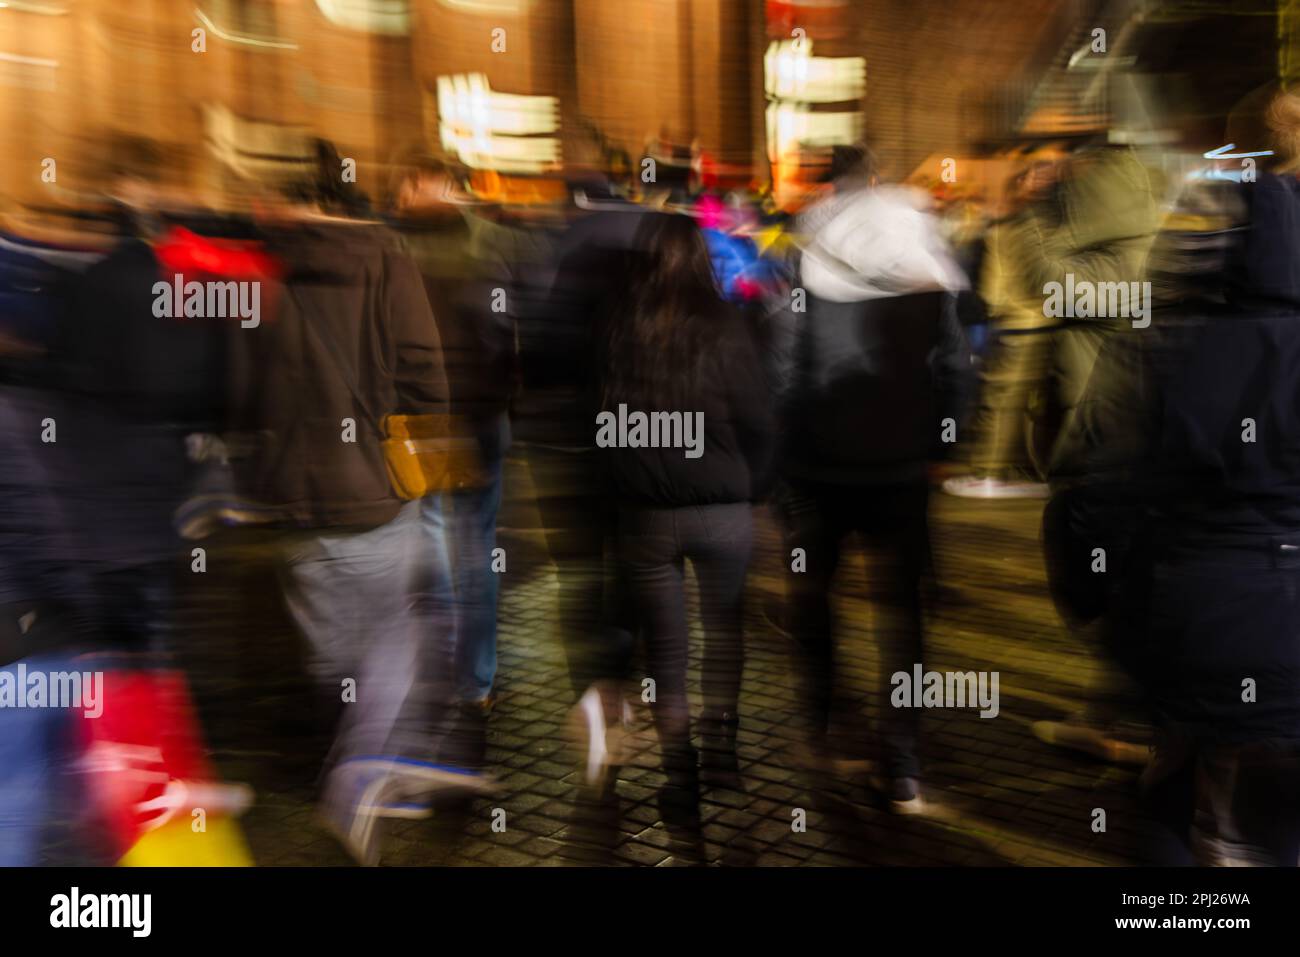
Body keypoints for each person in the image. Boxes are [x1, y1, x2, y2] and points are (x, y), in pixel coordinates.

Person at [229, 161, 491, 864]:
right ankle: (363, 767)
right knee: (404, 627)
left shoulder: (262, 273)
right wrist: (427, 461)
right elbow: (423, 371)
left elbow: (239, 387)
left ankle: (367, 754)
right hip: (375, 488)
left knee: (334, 649)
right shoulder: (386, 259)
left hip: (290, 498)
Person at [772, 144, 970, 814]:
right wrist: (946, 440)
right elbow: (954, 366)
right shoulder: (922, 261)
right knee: (903, 615)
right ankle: (902, 759)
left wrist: (776, 455)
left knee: (813, 599)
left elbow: (781, 365)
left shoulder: (803, 254)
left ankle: (822, 725)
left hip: (815, 461)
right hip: (901, 464)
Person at [598, 212, 775, 858]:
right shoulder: (727, 325)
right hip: (722, 505)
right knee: (725, 633)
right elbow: (760, 416)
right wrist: (755, 485)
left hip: (646, 514)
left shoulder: (619, 331)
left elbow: (605, 430)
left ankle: (680, 773)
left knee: (665, 657)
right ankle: (722, 748)